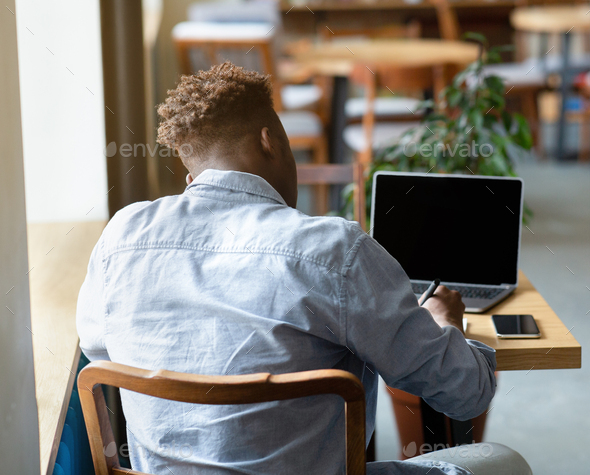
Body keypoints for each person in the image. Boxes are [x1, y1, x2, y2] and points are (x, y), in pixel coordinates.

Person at [77, 62, 531, 475]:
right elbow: (464, 392)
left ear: (191, 176)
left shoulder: (121, 236)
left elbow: (101, 352)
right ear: (270, 140)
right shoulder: (334, 250)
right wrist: (446, 323)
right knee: (504, 463)